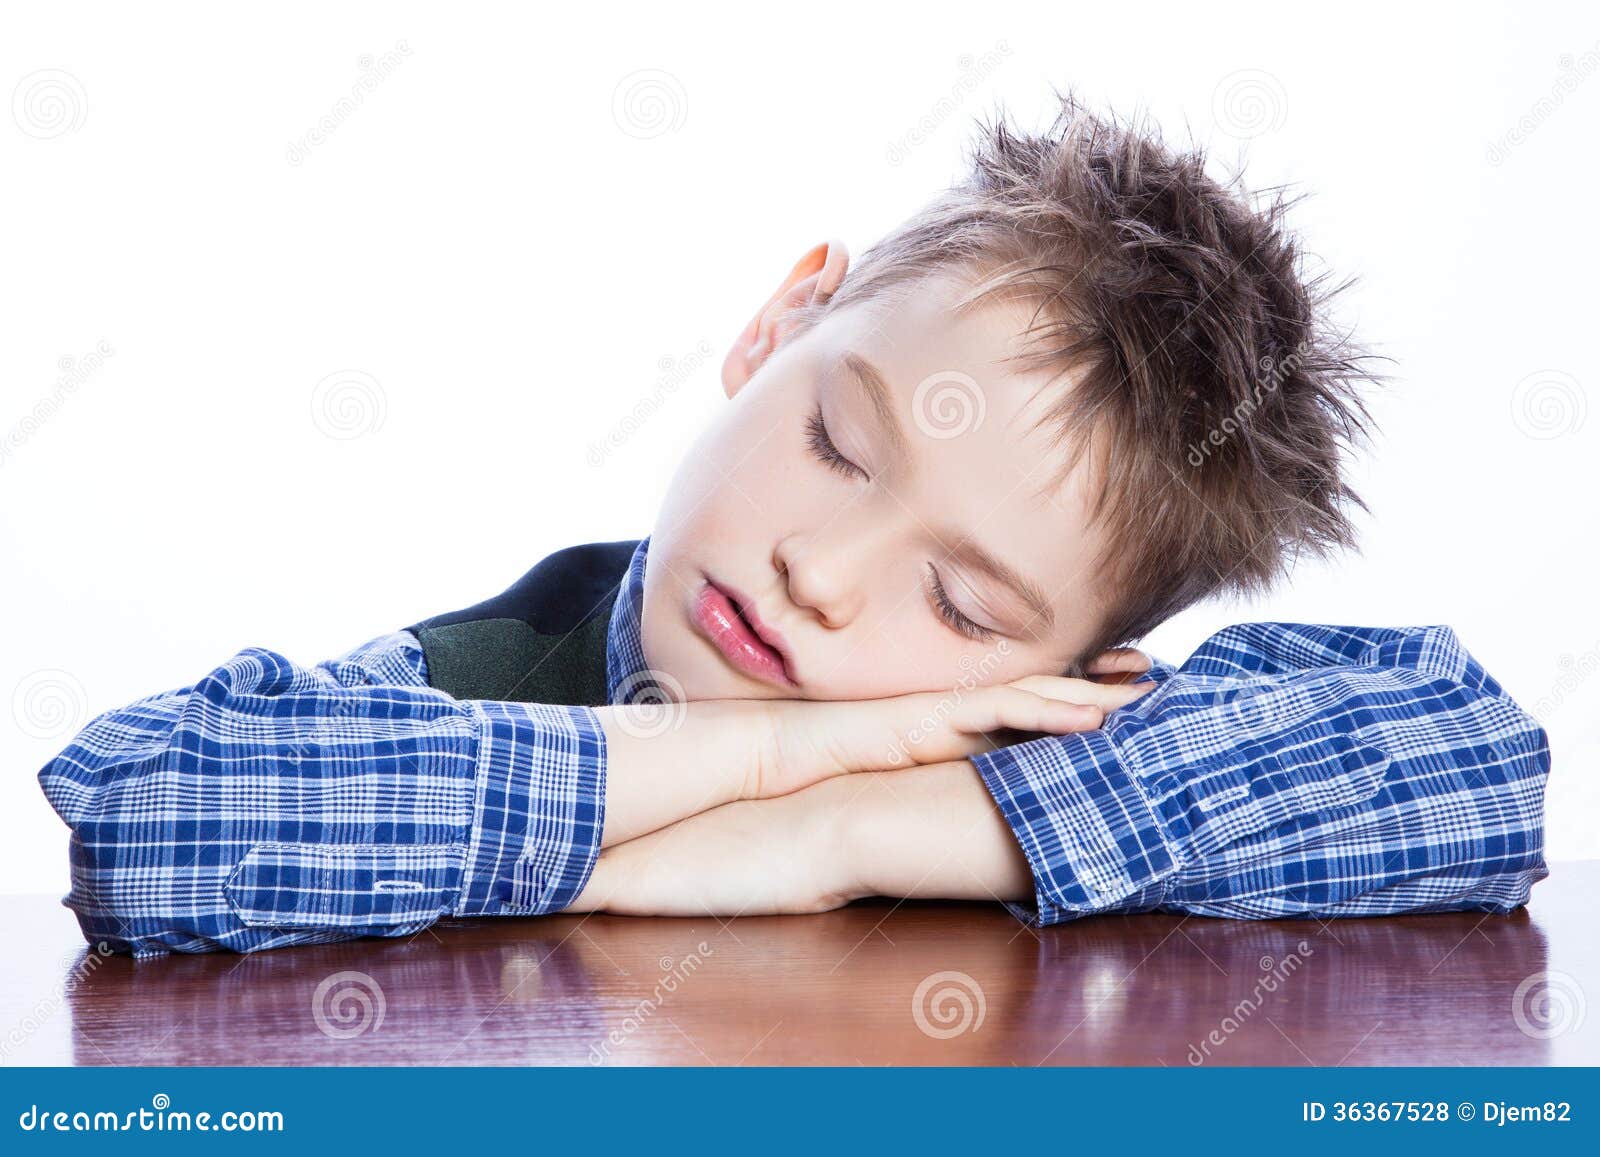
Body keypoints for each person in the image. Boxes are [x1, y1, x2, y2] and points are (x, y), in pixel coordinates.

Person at [36, 94, 1549, 958]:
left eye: (960, 609)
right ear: (779, 321)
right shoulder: (478, 678)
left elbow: (1478, 762)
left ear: (1086, 675)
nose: (815, 574)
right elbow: (142, 812)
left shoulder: (1050, 760)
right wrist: (766, 753)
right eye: (836, 441)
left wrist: (844, 831)